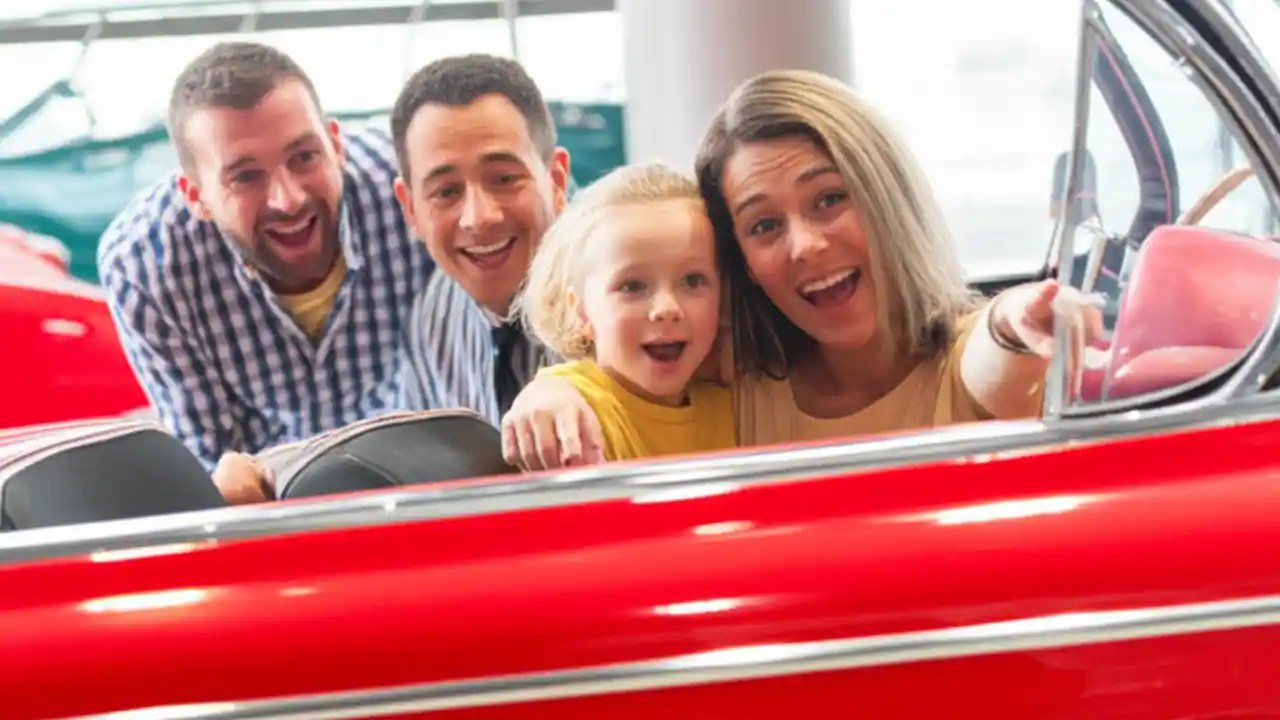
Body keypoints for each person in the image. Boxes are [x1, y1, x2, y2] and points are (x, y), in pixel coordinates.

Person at [500, 69, 1103, 470]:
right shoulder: (736, 383)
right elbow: (613, 380)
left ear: (885, 195)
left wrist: (1018, 321)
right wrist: (549, 388)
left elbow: (995, 351)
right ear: (744, 266)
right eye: (764, 226)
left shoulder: (961, 361)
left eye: (829, 199)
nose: (807, 246)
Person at [97, 41, 434, 501]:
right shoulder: (145, 264)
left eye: (304, 157)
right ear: (196, 196)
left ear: (336, 145)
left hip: (429, 489)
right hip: (270, 516)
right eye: (245, 177)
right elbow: (212, 461)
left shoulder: (418, 187)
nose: (288, 199)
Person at [392, 54, 571, 427]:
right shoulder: (433, 321)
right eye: (446, 191)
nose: (479, 217)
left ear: (556, 179)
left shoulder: (626, 295)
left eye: (504, 179)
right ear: (410, 209)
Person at [515, 162, 735, 463]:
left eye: (693, 281)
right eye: (632, 286)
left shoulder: (731, 404)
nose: (667, 309)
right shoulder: (577, 412)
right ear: (580, 313)